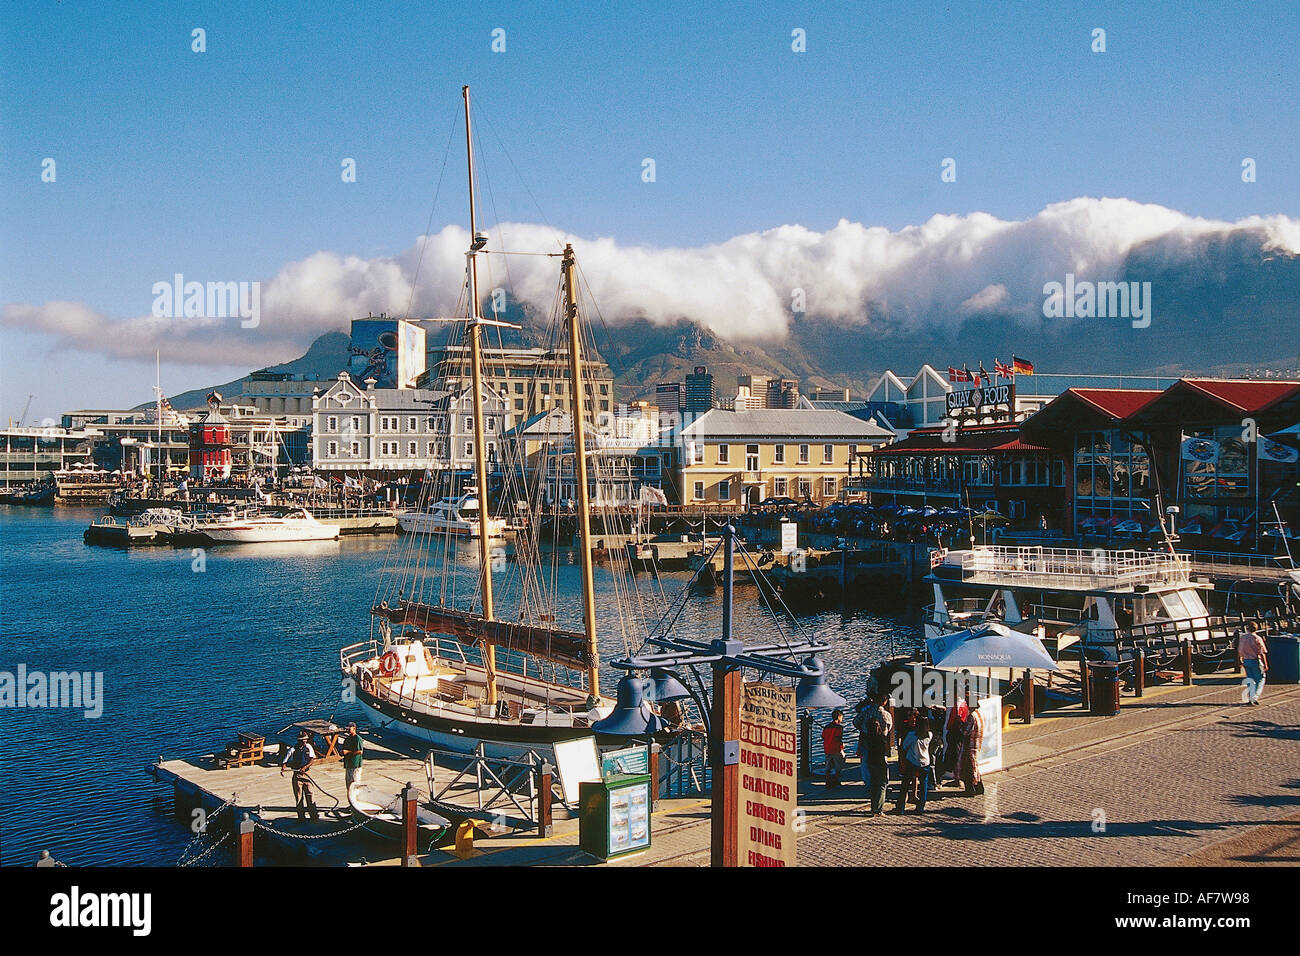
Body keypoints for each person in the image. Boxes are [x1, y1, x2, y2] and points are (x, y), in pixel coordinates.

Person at [854, 694, 893, 816]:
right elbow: (889, 727)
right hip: (880, 747)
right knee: (882, 780)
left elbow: (855, 722)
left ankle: (869, 789)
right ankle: (878, 808)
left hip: (867, 742)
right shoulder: (886, 715)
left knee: (869, 771)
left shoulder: (867, 711)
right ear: (885, 702)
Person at [894, 716, 933, 814]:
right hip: (925, 762)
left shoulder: (912, 735)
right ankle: (920, 807)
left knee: (905, 784)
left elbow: (905, 746)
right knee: (923, 784)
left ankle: (901, 807)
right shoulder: (929, 735)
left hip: (913, 761)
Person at [280, 730, 320, 822]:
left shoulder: (308, 747)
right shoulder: (292, 750)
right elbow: (284, 761)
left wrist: (305, 767)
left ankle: (313, 815)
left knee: (310, 795)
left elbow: (312, 760)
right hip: (297, 776)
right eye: (303, 740)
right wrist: (283, 769)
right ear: (299, 740)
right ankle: (301, 817)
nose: (305, 741)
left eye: (306, 740)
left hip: (307, 775)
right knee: (299, 797)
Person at [957, 702, 985, 795]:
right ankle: (979, 787)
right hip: (977, 743)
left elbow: (965, 732)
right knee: (975, 766)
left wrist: (960, 725)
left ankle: (970, 789)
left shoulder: (971, 717)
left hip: (970, 745)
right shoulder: (979, 714)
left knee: (968, 768)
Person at [1238, 626, 1269, 706]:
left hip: (1246, 660)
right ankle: (1254, 697)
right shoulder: (1257, 638)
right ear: (1256, 629)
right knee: (1260, 678)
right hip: (1255, 660)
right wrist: (1265, 664)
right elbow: (1262, 652)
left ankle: (1250, 696)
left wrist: (1240, 660)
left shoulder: (1243, 638)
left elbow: (1239, 650)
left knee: (1250, 679)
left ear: (1247, 629)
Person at [821, 709, 846, 788]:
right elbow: (838, 738)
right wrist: (842, 745)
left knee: (828, 766)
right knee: (839, 764)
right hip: (836, 749)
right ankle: (836, 780)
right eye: (842, 717)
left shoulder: (826, 727)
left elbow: (823, 736)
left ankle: (828, 782)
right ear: (839, 717)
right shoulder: (839, 728)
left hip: (827, 748)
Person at [340, 721, 364, 792]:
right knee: (348, 785)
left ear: (354, 728)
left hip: (355, 765)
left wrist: (348, 752)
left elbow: (360, 751)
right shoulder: (347, 739)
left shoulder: (357, 739)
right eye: (347, 729)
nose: (347, 730)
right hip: (348, 764)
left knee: (355, 784)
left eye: (349, 729)